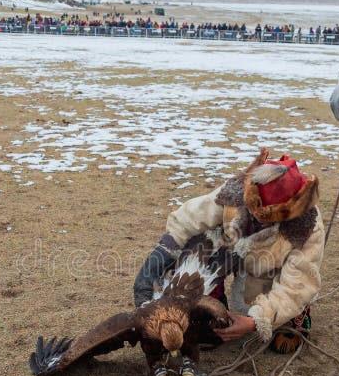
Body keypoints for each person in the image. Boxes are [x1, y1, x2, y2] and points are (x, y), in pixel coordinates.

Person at [134, 150, 324, 355]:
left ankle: (294, 317)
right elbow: (189, 219)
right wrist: (161, 254)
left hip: (269, 271)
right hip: (228, 257)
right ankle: (212, 302)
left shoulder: (307, 227)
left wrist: (256, 320)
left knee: (278, 332)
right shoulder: (235, 191)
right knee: (200, 243)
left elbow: (299, 283)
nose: (255, 219)